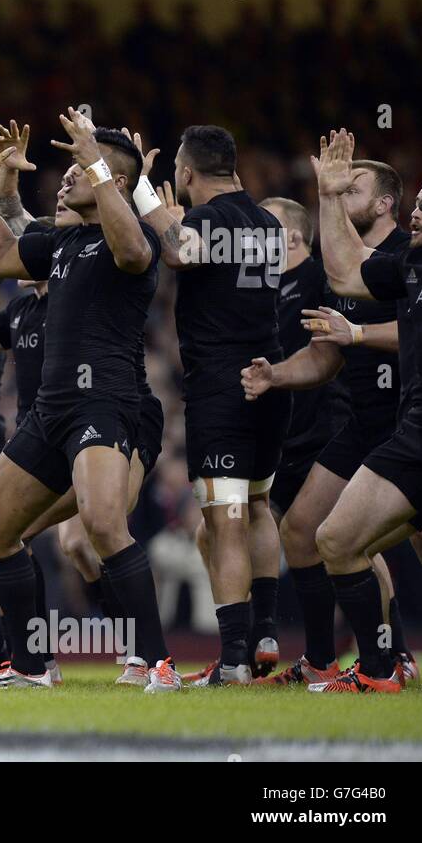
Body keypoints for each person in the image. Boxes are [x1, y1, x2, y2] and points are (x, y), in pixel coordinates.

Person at [0, 110, 176, 692]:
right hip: (50, 410)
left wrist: (99, 166)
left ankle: (157, 664)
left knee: (103, 527)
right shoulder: (64, 240)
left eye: (77, 168)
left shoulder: (134, 236)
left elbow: (132, 252)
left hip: (104, 401)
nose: (65, 177)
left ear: (114, 178)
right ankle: (32, 669)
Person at [138, 126, 291, 685]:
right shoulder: (270, 224)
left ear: (185, 173)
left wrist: (146, 200)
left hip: (222, 388)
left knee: (222, 521)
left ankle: (232, 662)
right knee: (257, 507)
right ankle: (266, 631)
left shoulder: (204, 222)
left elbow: (179, 252)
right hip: (270, 379)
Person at [304, 129, 422, 694]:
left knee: (338, 539)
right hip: (419, 437)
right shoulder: (416, 263)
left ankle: (383, 669)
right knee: (335, 539)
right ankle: (381, 670)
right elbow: (345, 272)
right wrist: (330, 197)